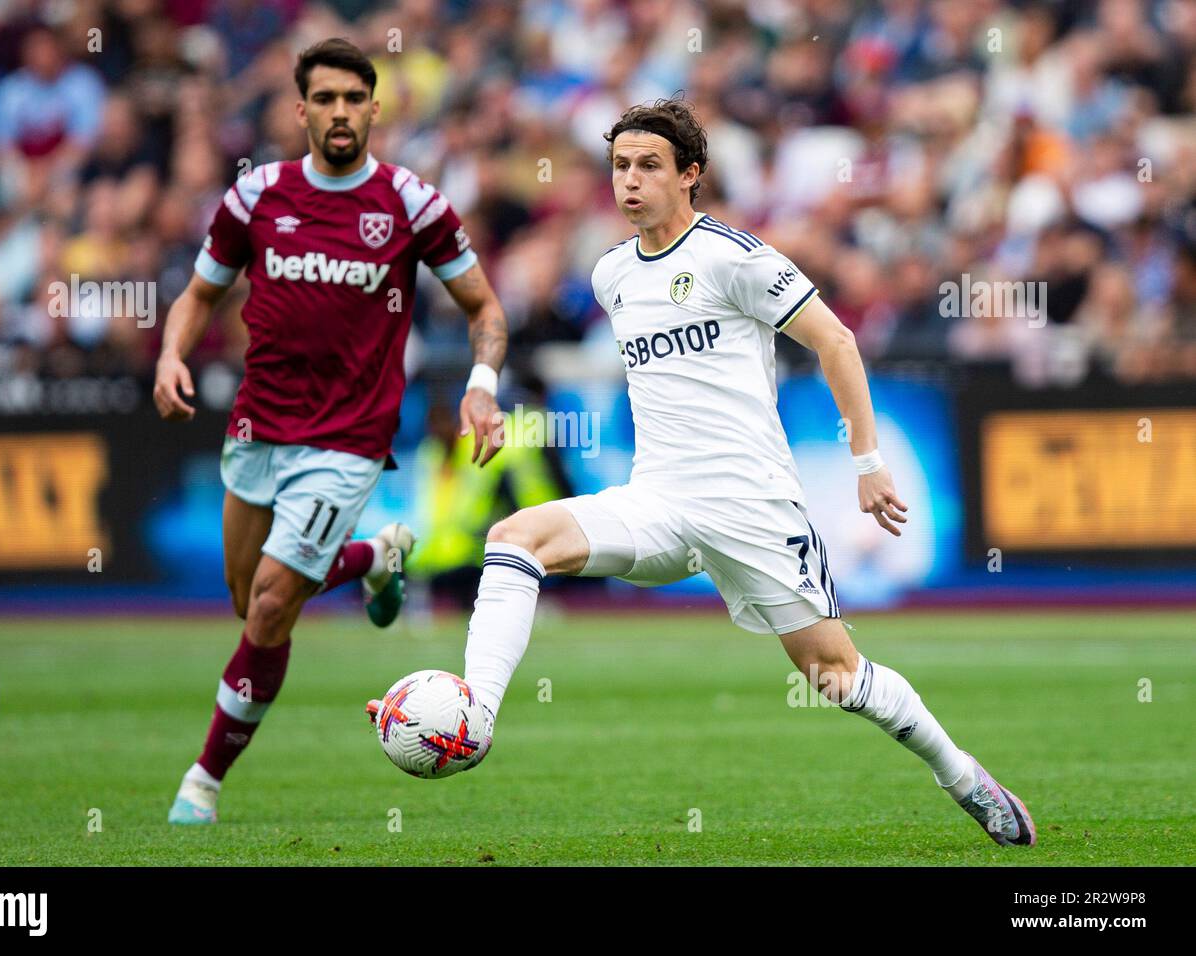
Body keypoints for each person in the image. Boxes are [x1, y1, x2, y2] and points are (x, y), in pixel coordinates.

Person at [371, 98, 1035, 848]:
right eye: (620, 166)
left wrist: (868, 463)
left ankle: (962, 776)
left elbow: (836, 342)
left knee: (837, 680)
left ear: (690, 175)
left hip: (752, 509)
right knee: (518, 536)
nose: (630, 181)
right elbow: (510, 331)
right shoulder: (611, 274)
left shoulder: (734, 257)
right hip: (657, 503)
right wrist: (485, 391)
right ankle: (476, 718)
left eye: (649, 166)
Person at [154, 38, 508, 825]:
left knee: (273, 607)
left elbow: (485, 308)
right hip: (259, 425)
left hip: (349, 437)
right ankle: (376, 559)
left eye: (355, 98)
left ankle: (202, 782)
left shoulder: (411, 204)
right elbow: (199, 294)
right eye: (326, 99)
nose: (341, 112)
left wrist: (481, 387)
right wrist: (171, 354)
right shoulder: (256, 198)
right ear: (301, 108)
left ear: (375, 109)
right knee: (247, 598)